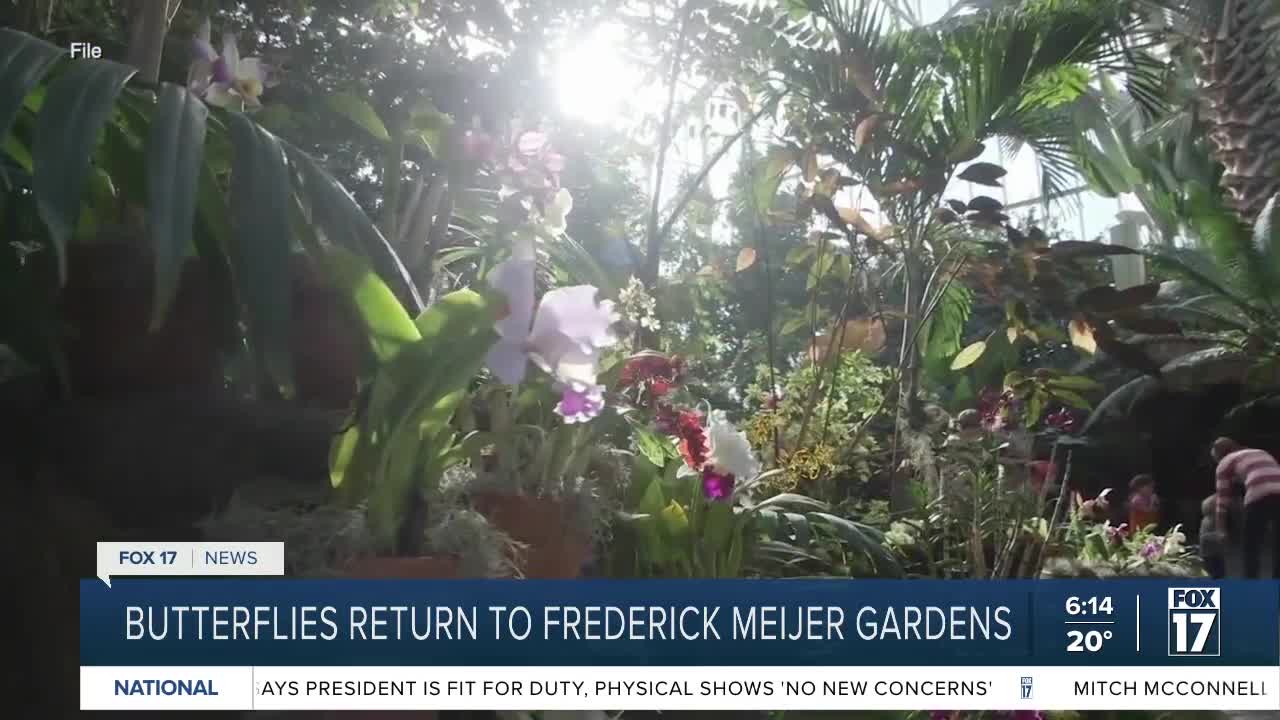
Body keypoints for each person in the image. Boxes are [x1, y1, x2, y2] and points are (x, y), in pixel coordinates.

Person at [1212, 437, 1280, 578]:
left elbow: (1222, 500)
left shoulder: (1225, 463)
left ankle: (1251, 586)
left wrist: (1221, 529)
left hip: (1258, 494)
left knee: (1251, 544)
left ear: (1220, 455)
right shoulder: (1260, 452)